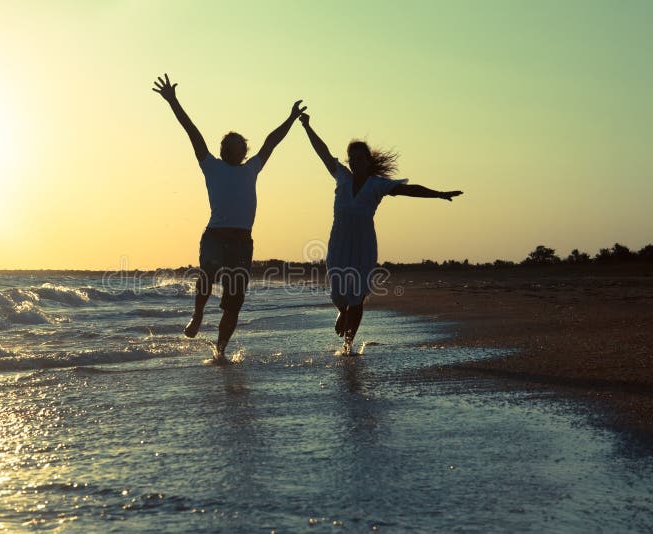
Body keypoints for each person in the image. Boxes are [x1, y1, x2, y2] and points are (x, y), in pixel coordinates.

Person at [153, 73, 305, 362]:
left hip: (241, 241)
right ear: (224, 149)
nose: (236, 145)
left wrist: (291, 118)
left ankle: (220, 351)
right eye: (231, 142)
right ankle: (197, 314)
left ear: (244, 150)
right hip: (215, 235)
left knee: (233, 304)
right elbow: (192, 131)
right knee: (207, 274)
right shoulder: (211, 165)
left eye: (240, 142)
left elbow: (272, 142)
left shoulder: (251, 168)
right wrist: (173, 101)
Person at [298, 113, 462, 354]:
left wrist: (438, 193)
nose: (354, 162)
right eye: (351, 159)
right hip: (339, 243)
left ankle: (348, 346)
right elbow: (321, 151)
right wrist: (307, 126)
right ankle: (342, 312)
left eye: (359, 158)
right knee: (339, 294)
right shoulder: (342, 176)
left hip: (363, 245)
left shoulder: (377, 185)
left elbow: (409, 190)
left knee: (358, 296)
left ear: (367, 159)